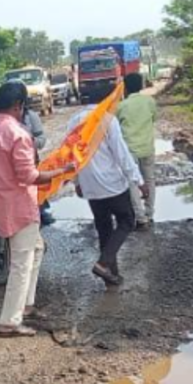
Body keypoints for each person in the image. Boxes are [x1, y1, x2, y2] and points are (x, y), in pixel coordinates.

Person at [0, 82, 76, 337]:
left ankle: (26, 305)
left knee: (36, 249)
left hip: (0, 206)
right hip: (21, 207)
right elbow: (29, 176)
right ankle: (9, 322)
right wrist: (62, 171)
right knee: (21, 262)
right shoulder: (18, 134)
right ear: (19, 106)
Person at [69, 106, 147, 287]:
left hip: (90, 185)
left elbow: (71, 154)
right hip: (112, 184)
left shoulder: (74, 121)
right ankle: (103, 264)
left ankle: (111, 276)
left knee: (104, 229)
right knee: (127, 221)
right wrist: (138, 180)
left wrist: (77, 181)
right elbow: (121, 153)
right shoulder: (107, 119)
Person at [117, 73, 159, 230]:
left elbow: (115, 126)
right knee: (150, 180)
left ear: (125, 88)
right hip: (147, 147)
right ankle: (150, 213)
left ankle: (140, 218)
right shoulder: (150, 102)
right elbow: (154, 119)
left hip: (129, 151)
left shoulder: (121, 106)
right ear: (141, 86)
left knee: (133, 182)